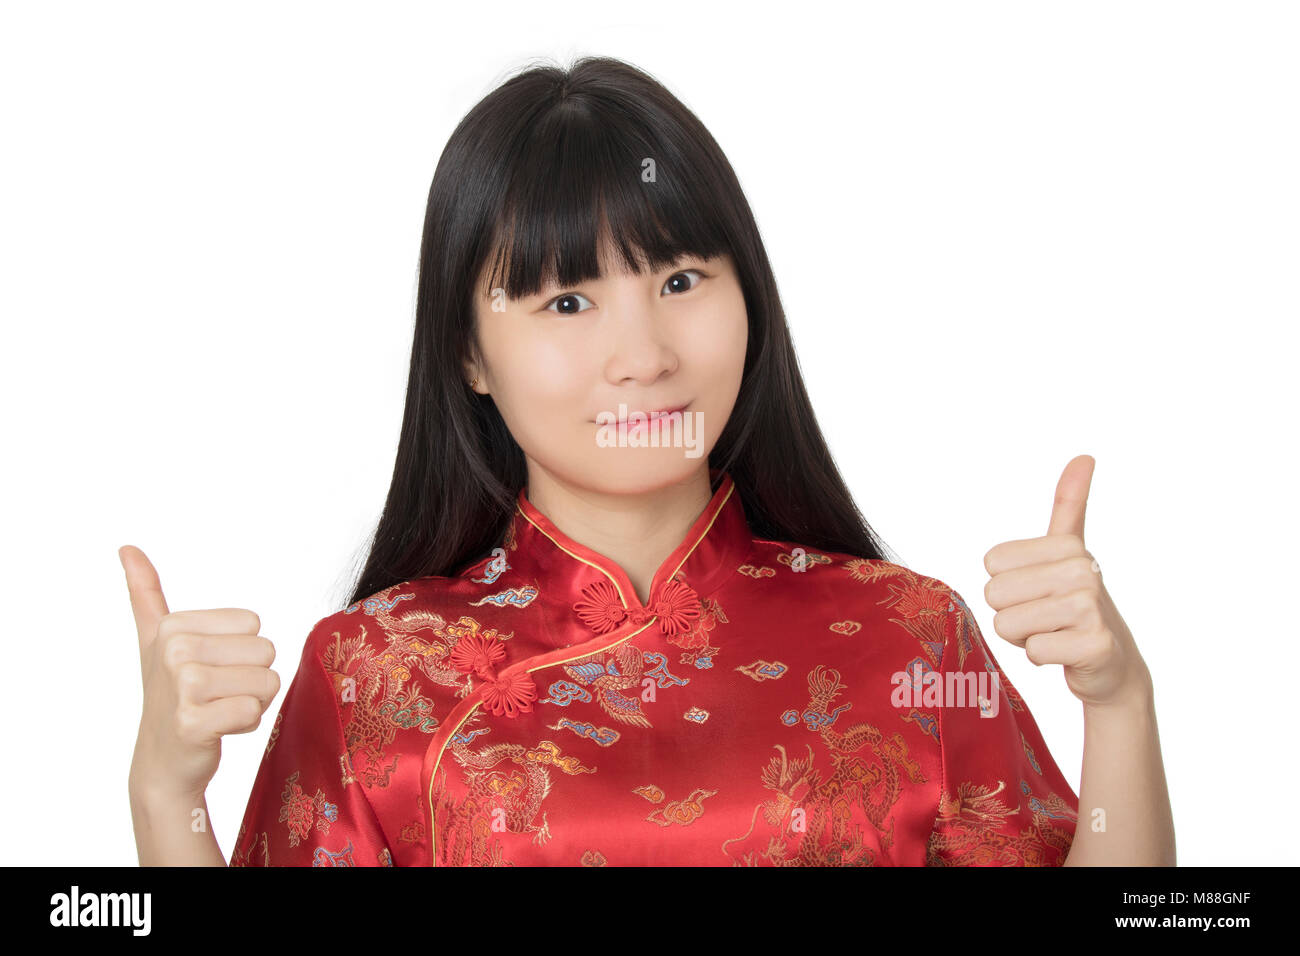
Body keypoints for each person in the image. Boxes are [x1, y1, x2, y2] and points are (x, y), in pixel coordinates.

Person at [125, 55, 1173, 866]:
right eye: (567, 301)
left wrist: (1117, 698)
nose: (645, 358)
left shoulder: (911, 635)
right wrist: (166, 796)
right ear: (467, 354)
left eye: (679, 279)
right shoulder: (375, 675)